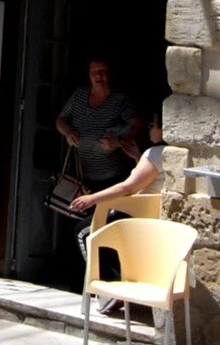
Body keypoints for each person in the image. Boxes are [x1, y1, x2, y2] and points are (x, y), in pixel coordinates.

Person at [72, 121, 169, 313]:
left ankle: (108, 290)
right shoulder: (172, 154)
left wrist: (91, 199)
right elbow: (150, 181)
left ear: (164, 128)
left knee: (84, 232)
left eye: (153, 125)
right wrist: (136, 157)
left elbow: (128, 187)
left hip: (135, 217)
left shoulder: (156, 153)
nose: (150, 128)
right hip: (153, 218)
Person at [55, 58, 140, 193]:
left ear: (110, 74)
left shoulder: (119, 100)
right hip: (80, 176)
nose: (98, 76)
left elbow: (137, 126)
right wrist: (68, 132)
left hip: (111, 178)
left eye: (102, 71)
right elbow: (61, 119)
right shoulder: (79, 95)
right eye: (93, 72)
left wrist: (117, 142)